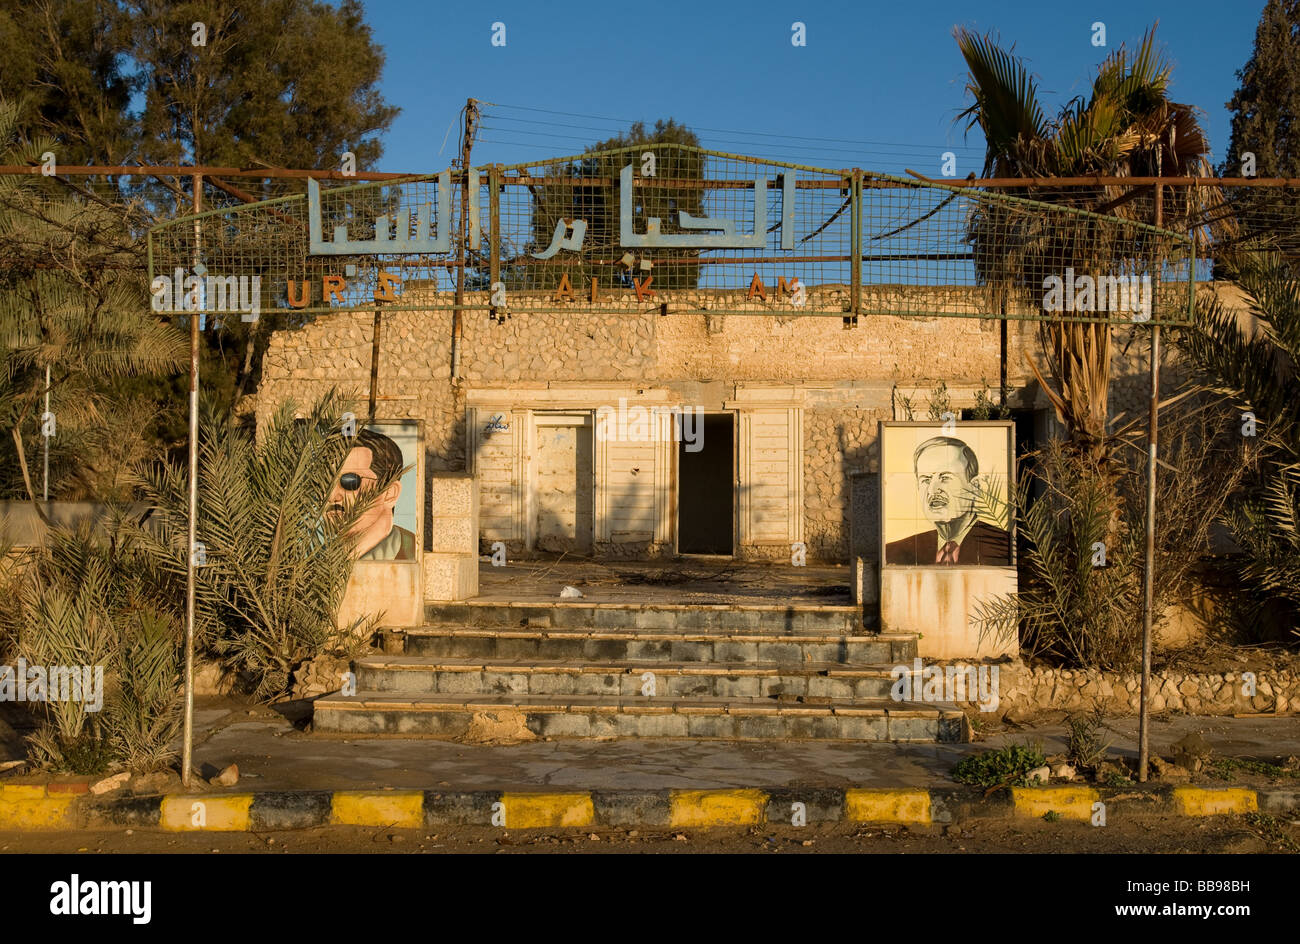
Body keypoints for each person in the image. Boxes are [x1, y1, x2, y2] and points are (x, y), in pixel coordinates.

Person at [885, 435, 1010, 566]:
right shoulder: (894, 553)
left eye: (945, 477)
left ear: (975, 487)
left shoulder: (1003, 547)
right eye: (926, 480)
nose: (932, 490)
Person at [327, 427, 416, 561]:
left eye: (350, 481)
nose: (332, 496)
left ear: (390, 493)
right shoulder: (310, 565)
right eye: (325, 484)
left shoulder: (411, 551)